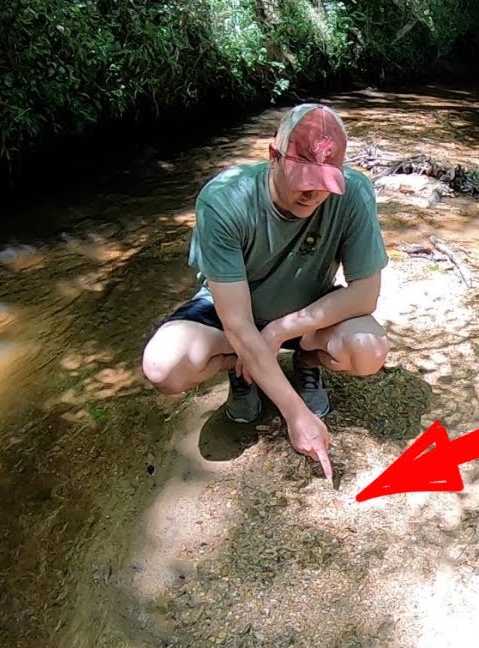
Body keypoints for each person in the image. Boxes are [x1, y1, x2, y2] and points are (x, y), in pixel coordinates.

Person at [141, 103, 390, 481]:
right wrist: (296, 415)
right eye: (304, 177)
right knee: (163, 366)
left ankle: (303, 363)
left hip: (306, 315)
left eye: (325, 182)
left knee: (369, 351)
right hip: (230, 318)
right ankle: (245, 370)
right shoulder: (224, 200)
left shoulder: (354, 194)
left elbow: (364, 294)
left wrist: (278, 331)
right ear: (274, 156)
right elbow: (238, 323)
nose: (313, 194)